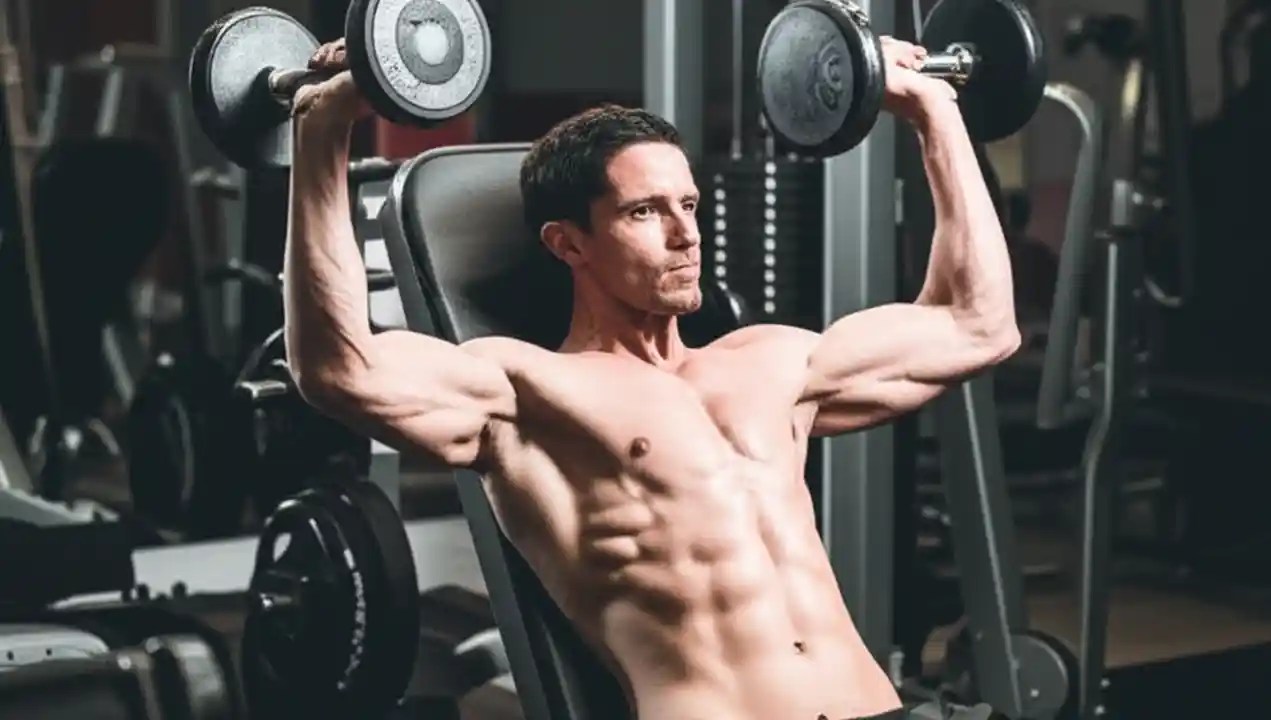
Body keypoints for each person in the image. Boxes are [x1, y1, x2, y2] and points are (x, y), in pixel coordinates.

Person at [285, 35, 1019, 720]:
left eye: (689, 205)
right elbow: (340, 369)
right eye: (645, 211)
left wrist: (933, 110)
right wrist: (322, 135)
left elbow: (980, 325)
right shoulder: (526, 392)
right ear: (568, 243)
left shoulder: (771, 361)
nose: (685, 233)